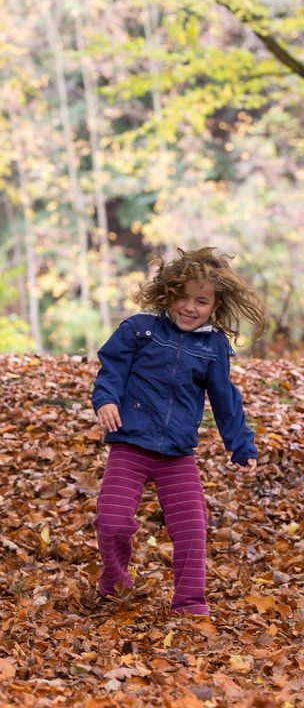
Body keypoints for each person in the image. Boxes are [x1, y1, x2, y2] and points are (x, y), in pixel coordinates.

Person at [91, 246, 267, 615]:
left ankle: (189, 603)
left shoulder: (213, 346)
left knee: (192, 528)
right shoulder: (140, 329)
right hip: (131, 445)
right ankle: (114, 582)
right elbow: (112, 368)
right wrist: (106, 399)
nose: (190, 307)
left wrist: (242, 445)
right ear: (168, 295)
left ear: (214, 306)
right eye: (183, 298)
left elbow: (225, 400)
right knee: (112, 522)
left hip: (177, 455)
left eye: (201, 301)